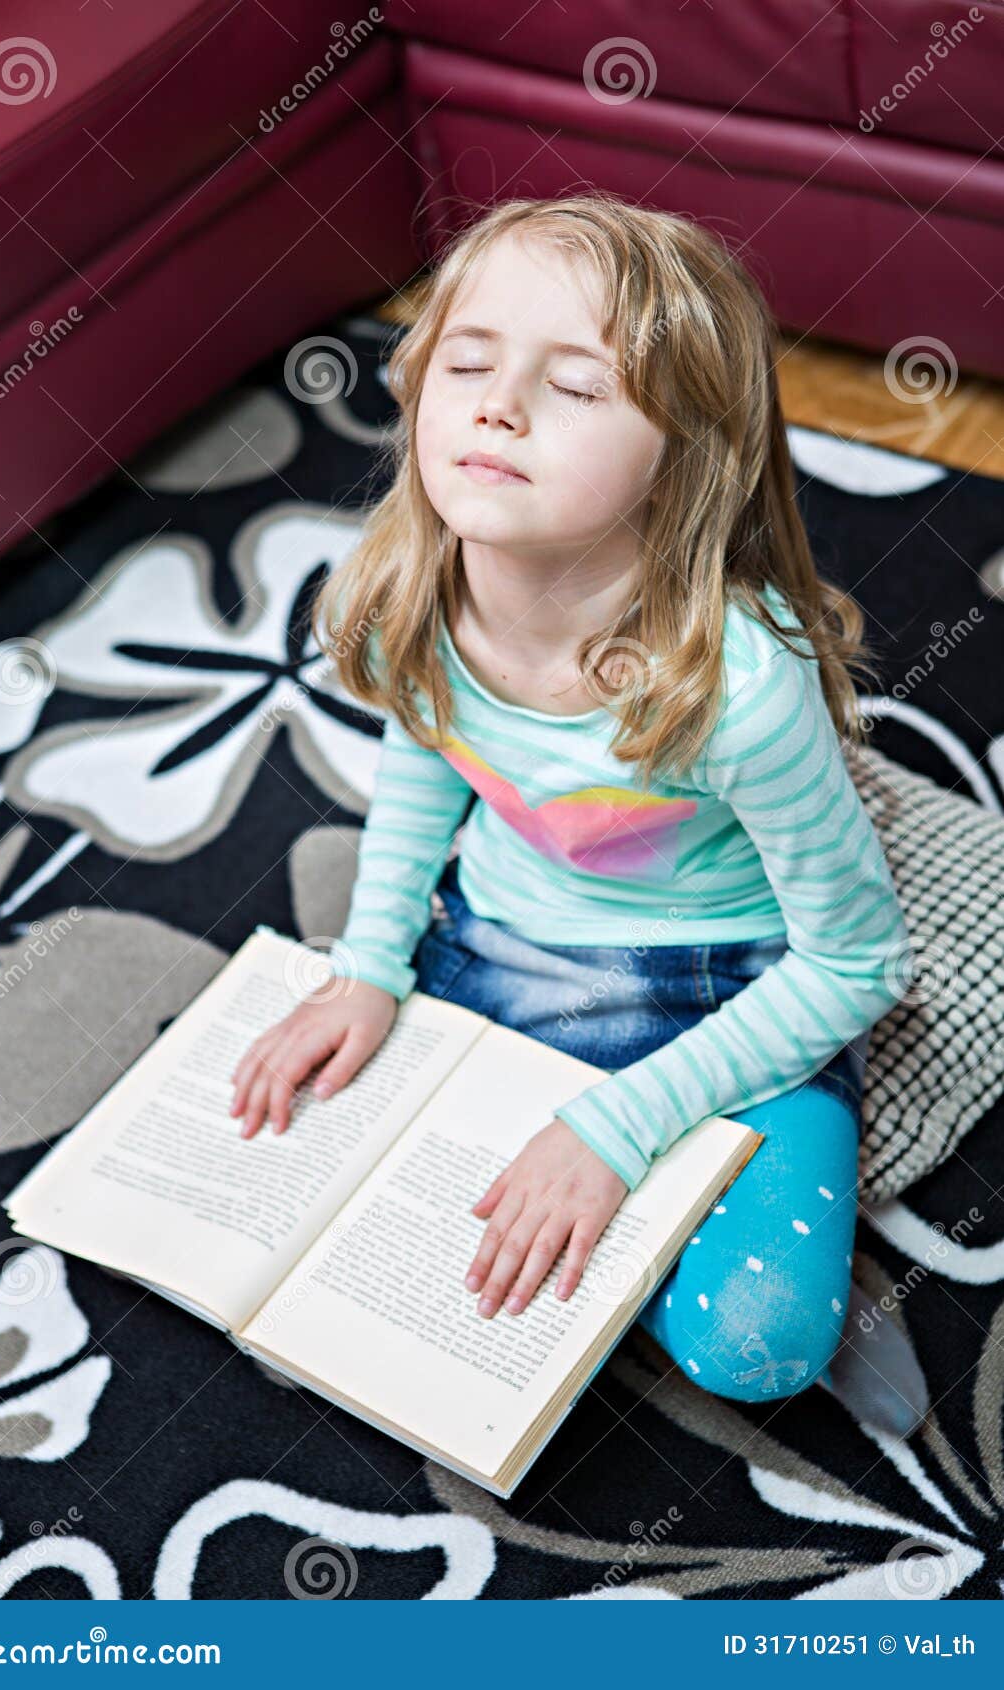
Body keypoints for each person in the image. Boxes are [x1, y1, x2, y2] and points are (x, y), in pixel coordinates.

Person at [229, 192, 923, 1432]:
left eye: (578, 386)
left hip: (718, 986)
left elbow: (861, 961)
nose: (497, 406)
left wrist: (621, 1127)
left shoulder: (741, 693)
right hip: (487, 948)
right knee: (323, 1202)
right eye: (470, 361)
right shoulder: (418, 590)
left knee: (755, 1343)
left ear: (686, 451)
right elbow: (425, 759)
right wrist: (368, 965)